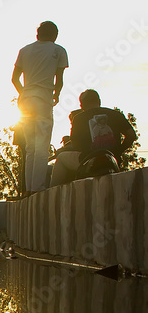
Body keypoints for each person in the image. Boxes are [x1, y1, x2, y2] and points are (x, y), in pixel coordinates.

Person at [12, 21, 69, 194]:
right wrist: (56, 95)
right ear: (55, 35)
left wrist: (24, 93)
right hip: (43, 100)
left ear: (37, 34)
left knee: (30, 147)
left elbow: (14, 79)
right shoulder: (58, 50)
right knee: (42, 145)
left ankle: (29, 188)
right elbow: (59, 79)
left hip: (26, 101)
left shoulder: (24, 50)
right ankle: (37, 188)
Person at [50, 89, 137, 186]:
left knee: (61, 158)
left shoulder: (79, 118)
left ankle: (52, 193)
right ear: (99, 101)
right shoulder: (116, 114)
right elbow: (132, 135)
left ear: (82, 105)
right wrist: (118, 151)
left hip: (88, 161)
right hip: (113, 160)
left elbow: (75, 145)